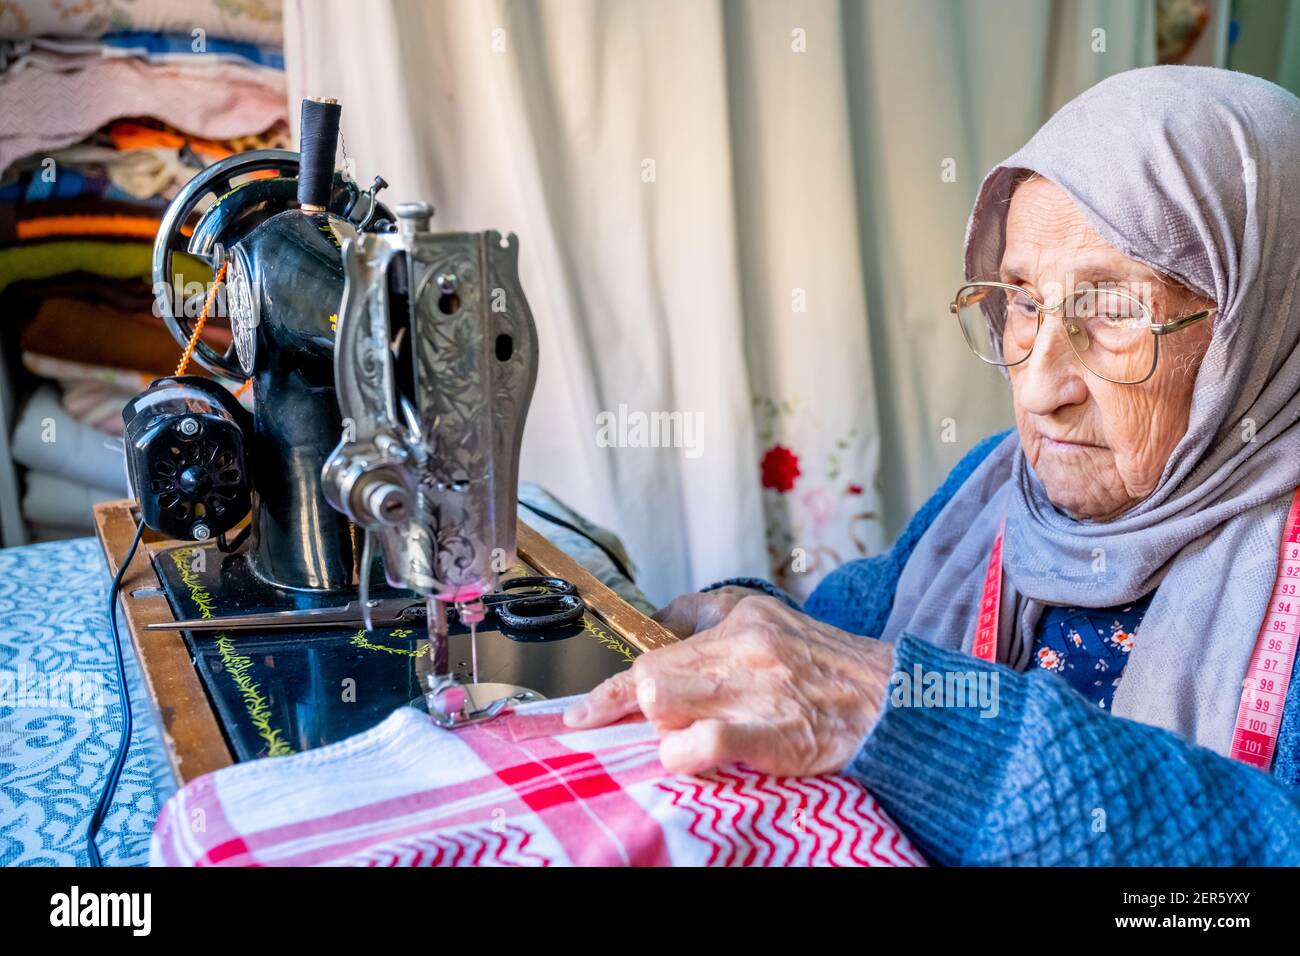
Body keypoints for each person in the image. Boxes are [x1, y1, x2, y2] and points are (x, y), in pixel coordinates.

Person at [564, 66, 1300, 865]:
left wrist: (907, 715)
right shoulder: (997, 485)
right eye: (1023, 301)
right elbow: (850, 631)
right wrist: (747, 618)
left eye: (1116, 310)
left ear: (1263, 324)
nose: (1040, 390)